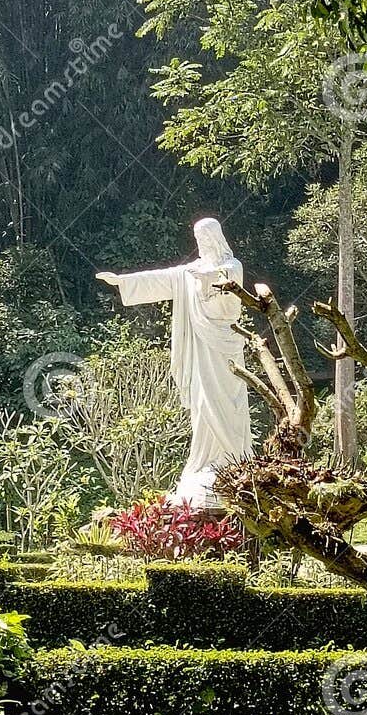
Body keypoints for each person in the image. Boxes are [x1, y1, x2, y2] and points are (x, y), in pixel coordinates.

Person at [96, 218, 253, 508]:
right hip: (200, 351)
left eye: (206, 238)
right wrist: (123, 282)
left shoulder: (233, 266)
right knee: (202, 404)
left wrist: (206, 279)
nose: (202, 244)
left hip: (224, 349)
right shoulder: (189, 272)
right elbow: (160, 279)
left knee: (226, 404)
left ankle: (232, 461)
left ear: (216, 238)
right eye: (198, 239)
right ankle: (206, 463)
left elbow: (227, 286)